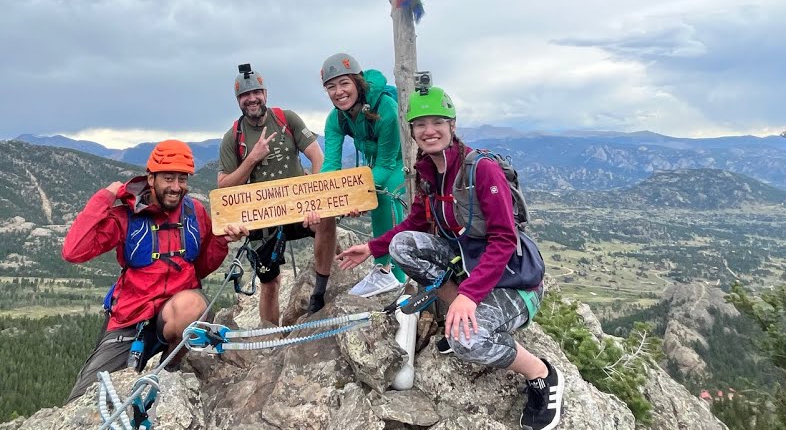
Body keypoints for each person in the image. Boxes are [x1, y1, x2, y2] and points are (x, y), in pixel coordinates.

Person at [335, 83, 565, 430]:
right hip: (472, 270)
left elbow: (503, 239)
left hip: (516, 283)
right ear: (411, 131)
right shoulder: (428, 173)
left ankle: (542, 374)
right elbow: (414, 224)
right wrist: (372, 247)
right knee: (404, 247)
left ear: (452, 125)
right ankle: (461, 315)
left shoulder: (481, 171)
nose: (429, 131)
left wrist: (469, 297)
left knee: (467, 342)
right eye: (420, 124)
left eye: (437, 122)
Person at [63, 140, 247, 401]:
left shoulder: (194, 212)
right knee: (83, 400)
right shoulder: (126, 216)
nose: (176, 187)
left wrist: (220, 241)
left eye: (182, 179)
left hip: (173, 315)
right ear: (151, 178)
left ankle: (169, 372)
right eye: (168, 178)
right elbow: (74, 251)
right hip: (130, 316)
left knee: (192, 308)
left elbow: (202, 266)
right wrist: (105, 197)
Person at [217, 64, 336, 324]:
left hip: (299, 206)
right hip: (264, 216)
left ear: (265, 94)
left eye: (256, 92)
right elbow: (224, 187)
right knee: (269, 283)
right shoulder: (232, 137)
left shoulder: (287, 119)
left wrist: (314, 198)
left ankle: (321, 291)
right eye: (245, 95)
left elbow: (317, 156)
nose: (251, 99)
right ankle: (270, 335)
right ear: (238, 101)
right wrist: (251, 159)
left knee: (327, 222)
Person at [319, 52, 407, 298]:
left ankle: (396, 278)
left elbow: (388, 163)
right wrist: (322, 199)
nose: (338, 92)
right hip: (378, 164)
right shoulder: (336, 118)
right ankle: (383, 270)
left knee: (383, 195)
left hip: (403, 163)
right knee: (374, 192)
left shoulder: (386, 108)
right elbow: (331, 166)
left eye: (344, 83)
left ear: (357, 83)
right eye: (331, 87)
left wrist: (356, 197)